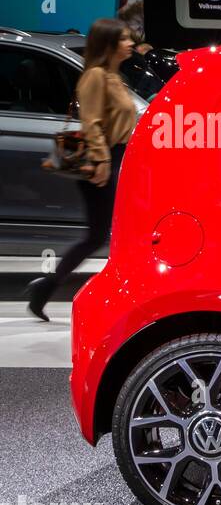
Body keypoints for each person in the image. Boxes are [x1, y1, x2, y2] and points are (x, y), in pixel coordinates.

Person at [25, 19, 137, 321]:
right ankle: (47, 288)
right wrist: (101, 162)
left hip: (118, 159)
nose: (131, 43)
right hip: (103, 161)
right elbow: (92, 123)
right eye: (124, 39)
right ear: (109, 44)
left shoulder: (114, 76)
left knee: (106, 235)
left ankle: (47, 289)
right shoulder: (95, 77)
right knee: (99, 236)